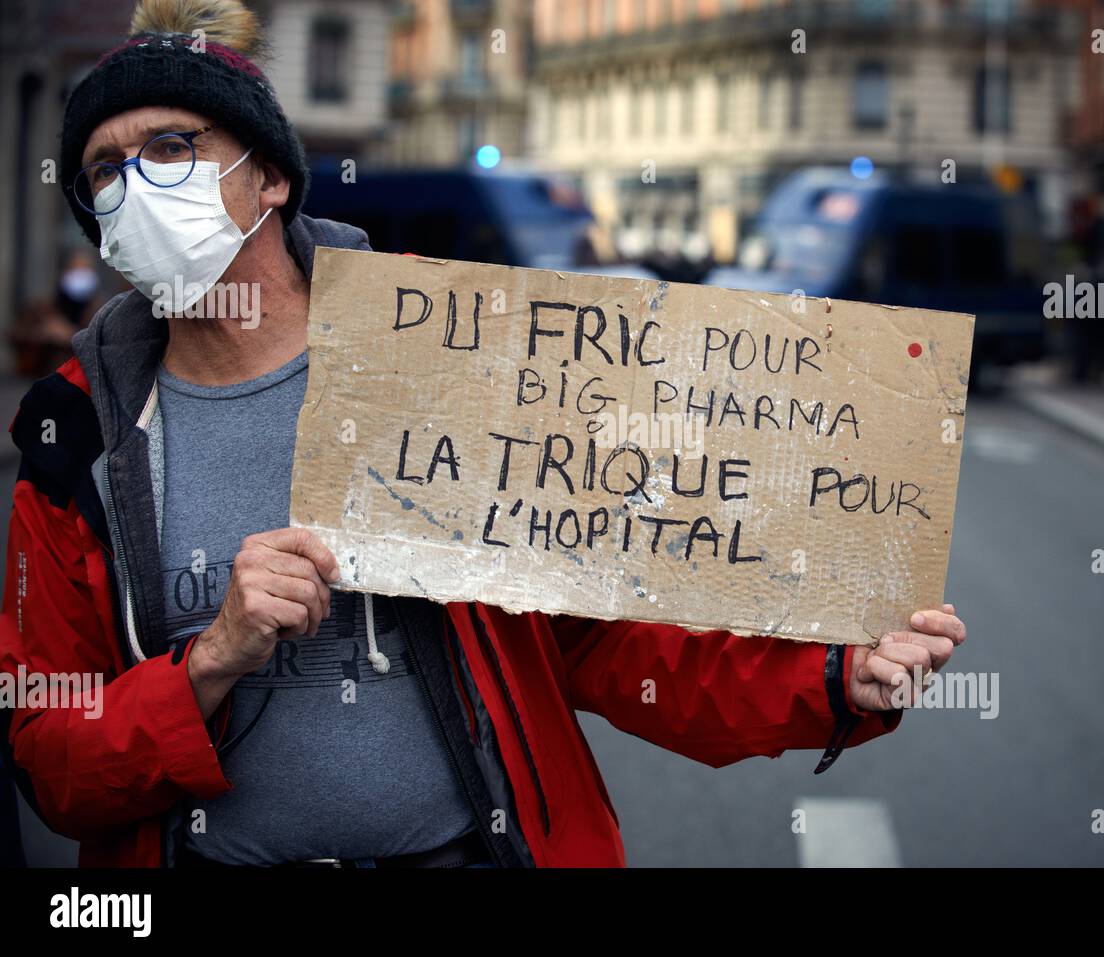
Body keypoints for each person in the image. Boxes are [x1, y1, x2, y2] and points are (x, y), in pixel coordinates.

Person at [0, 0, 966, 868]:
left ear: (270, 181)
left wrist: (835, 677)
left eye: (171, 147)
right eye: (104, 170)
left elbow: (607, 637)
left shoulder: (445, 355)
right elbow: (53, 761)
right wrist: (210, 659)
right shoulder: (73, 437)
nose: (135, 184)